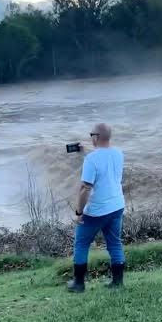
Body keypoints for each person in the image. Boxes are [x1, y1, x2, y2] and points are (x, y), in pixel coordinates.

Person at [67, 122, 125, 292]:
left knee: (81, 244)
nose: (90, 137)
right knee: (114, 243)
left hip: (97, 211)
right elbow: (104, 160)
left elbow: (85, 187)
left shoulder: (91, 160)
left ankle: (78, 284)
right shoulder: (119, 153)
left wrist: (79, 212)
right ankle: (117, 283)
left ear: (96, 137)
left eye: (91, 134)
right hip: (117, 206)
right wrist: (85, 150)